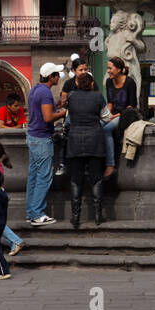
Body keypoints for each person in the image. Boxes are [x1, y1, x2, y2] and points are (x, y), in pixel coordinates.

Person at [64, 72, 110, 228]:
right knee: (96, 178)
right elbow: (106, 117)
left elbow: (68, 117)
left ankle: (76, 216)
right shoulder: (98, 97)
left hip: (75, 140)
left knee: (76, 179)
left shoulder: (70, 96)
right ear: (91, 84)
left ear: (77, 84)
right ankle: (97, 215)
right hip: (95, 140)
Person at [26, 62, 66, 226]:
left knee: (33, 177)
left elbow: (42, 110)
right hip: (42, 139)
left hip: (32, 136)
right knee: (44, 177)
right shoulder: (45, 93)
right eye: (57, 74)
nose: (59, 77)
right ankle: (37, 214)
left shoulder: (35, 89)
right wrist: (64, 112)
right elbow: (48, 118)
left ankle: (30, 212)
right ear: (51, 77)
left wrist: (55, 106)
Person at [102, 57, 135, 175]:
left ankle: (110, 164)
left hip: (125, 115)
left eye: (110, 68)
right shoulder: (109, 82)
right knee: (97, 125)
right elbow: (110, 103)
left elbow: (131, 106)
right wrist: (108, 115)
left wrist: (115, 116)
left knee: (106, 129)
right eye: (107, 68)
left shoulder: (130, 82)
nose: (108, 71)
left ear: (119, 69)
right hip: (113, 114)